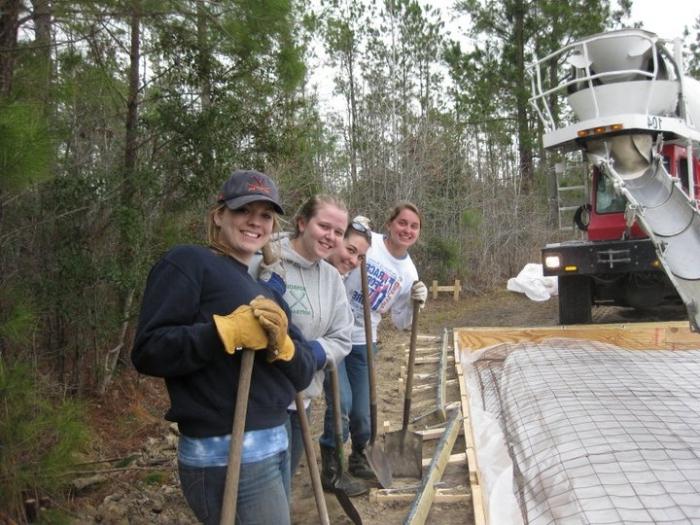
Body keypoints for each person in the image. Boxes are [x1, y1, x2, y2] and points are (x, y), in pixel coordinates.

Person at [131, 169, 315, 525]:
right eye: (244, 210)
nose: (255, 222)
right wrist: (224, 333)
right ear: (219, 215)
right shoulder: (189, 262)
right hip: (228, 455)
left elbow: (305, 370)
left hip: (277, 444)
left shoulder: (267, 293)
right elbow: (149, 350)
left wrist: (285, 347)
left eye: (265, 215)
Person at [251, 195, 367, 496]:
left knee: (283, 487)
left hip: (300, 401)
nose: (331, 236)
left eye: (338, 232)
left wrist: (310, 354)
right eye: (324, 226)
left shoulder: (331, 278)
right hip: (256, 403)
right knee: (258, 496)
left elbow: (342, 336)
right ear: (302, 223)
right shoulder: (261, 259)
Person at [319, 201, 428, 481]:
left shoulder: (409, 273)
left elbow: (403, 322)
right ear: (390, 224)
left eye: (413, 226)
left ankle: (359, 457)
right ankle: (331, 465)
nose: (407, 230)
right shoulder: (369, 243)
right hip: (332, 332)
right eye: (402, 222)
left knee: (363, 412)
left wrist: (418, 303)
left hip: (364, 341)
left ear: (418, 233)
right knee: (341, 403)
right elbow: (336, 250)